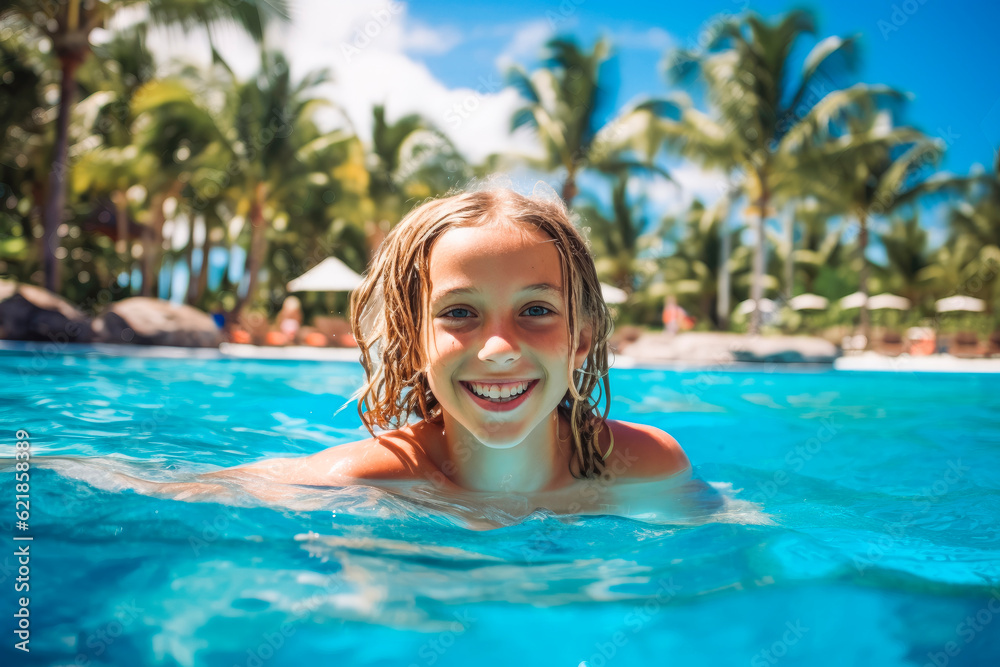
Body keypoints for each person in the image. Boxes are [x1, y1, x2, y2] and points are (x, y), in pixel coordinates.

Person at [134, 188, 696, 521]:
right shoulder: (372, 479)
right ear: (412, 342)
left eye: (535, 310)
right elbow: (171, 491)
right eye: (459, 313)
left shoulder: (648, 465)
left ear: (581, 340)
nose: (499, 349)